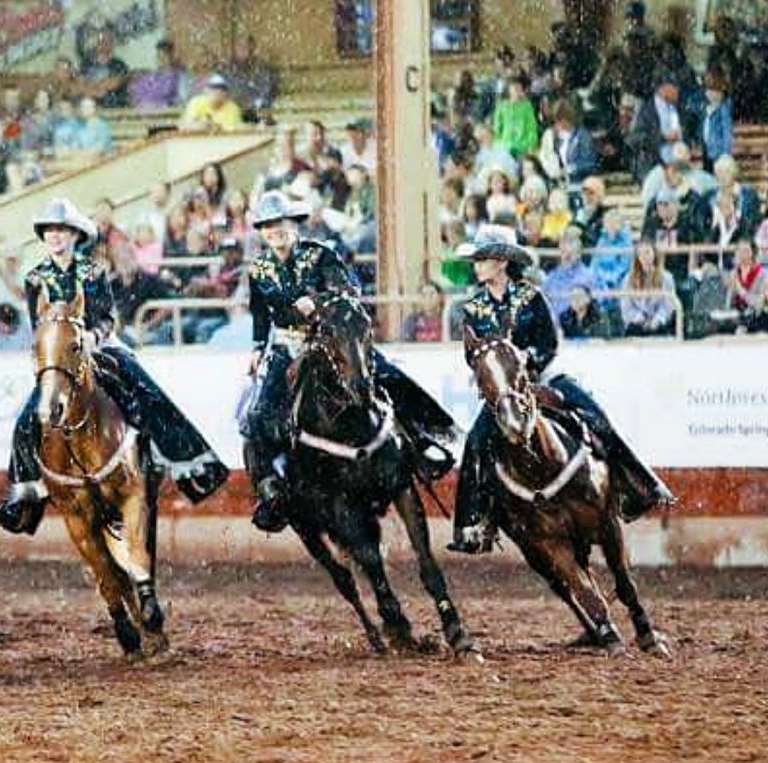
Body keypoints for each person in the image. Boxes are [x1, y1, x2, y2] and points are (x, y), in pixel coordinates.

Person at [0, 198, 229, 536]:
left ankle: (190, 465)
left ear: (74, 235)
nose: (55, 236)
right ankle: (25, 496)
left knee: (146, 392)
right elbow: (38, 326)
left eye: (61, 230)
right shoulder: (35, 279)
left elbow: (108, 317)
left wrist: (93, 335)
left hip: (101, 347)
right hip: (61, 357)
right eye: (50, 231)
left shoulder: (93, 271)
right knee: (27, 421)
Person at [446, 224, 674, 554]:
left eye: (482, 258)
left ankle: (639, 486)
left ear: (501, 262)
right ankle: (470, 525)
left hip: (543, 378)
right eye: (477, 259)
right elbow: (471, 353)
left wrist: (529, 358)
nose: (477, 265)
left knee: (595, 417)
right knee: (477, 443)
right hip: (505, 393)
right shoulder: (472, 309)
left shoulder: (532, 297)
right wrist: (494, 372)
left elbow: (549, 342)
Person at [241, 191, 458, 533]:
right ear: (262, 232)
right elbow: (259, 314)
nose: (274, 231)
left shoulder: (321, 254)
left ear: (293, 224)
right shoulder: (259, 269)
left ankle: (424, 441)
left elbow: (349, 289)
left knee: (387, 376)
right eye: (267, 226)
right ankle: (271, 488)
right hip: (287, 347)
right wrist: (256, 347)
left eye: (279, 223)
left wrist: (317, 300)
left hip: (334, 339)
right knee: (257, 416)